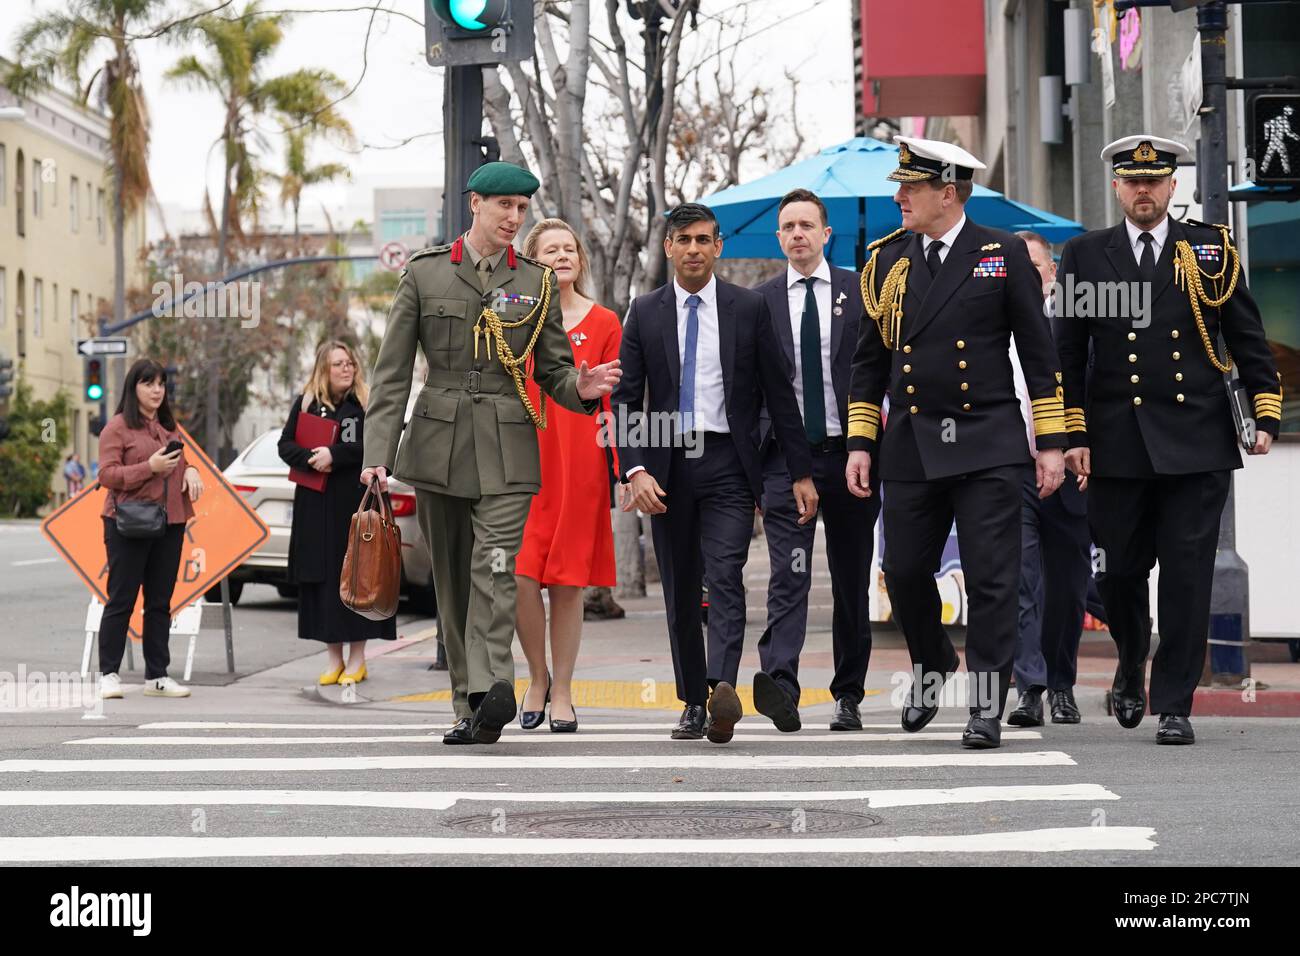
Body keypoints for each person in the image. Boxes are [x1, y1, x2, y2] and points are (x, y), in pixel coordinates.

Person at [361, 161, 621, 746]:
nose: (514, 217)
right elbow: (392, 372)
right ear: (474, 204)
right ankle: (467, 703)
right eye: (505, 206)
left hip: (508, 445)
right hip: (437, 446)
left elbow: (553, 371)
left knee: (498, 569)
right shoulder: (426, 275)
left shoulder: (534, 281)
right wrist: (377, 453)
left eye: (522, 209)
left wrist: (580, 388)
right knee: (453, 581)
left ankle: (494, 687)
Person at [845, 136, 1067, 750]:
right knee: (904, 569)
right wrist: (861, 442)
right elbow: (869, 362)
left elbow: (1039, 354)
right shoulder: (886, 261)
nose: (898, 198)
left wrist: (1050, 441)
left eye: (909, 189)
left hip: (988, 439)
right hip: (914, 441)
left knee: (994, 576)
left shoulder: (1000, 252)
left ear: (947, 193)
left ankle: (986, 706)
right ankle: (933, 660)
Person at [1057, 135, 1280, 745]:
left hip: (1196, 439)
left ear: (1172, 187)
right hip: (1116, 442)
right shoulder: (1084, 255)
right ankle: (1131, 661)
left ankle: (1176, 701)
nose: (1144, 190)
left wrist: (1265, 411)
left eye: (1155, 181)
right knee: (1122, 573)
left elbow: (1246, 335)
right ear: (1117, 187)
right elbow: (1068, 354)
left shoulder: (1209, 250)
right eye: (1133, 181)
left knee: (1187, 575)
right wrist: (1072, 432)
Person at [613, 202, 818, 744]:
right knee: (681, 588)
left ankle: (720, 687)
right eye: (684, 240)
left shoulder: (748, 308)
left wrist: (800, 471)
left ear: (718, 246)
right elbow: (627, 400)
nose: (695, 249)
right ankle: (690, 702)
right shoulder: (644, 311)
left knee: (725, 576)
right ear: (669, 248)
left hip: (729, 462)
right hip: (665, 468)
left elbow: (780, 392)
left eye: (705, 240)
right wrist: (633, 468)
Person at [750, 188, 881, 733]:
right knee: (789, 575)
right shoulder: (759, 302)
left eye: (807, 225)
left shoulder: (862, 291)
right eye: (788, 226)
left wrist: (869, 443)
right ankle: (781, 685)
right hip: (787, 460)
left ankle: (848, 693)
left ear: (826, 234)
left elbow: (882, 369)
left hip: (852, 456)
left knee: (852, 580)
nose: (798, 234)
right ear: (778, 238)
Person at [514, 218, 623, 733]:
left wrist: (623, 471)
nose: (562, 255)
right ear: (532, 259)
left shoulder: (605, 322)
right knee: (519, 576)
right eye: (550, 249)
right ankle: (536, 677)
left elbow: (613, 405)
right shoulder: (515, 316)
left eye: (569, 249)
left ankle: (564, 691)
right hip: (523, 459)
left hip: (580, 462)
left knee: (568, 583)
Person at [1006, 231, 1092, 727]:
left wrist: (1082, 446)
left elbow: (1095, 383)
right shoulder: (993, 321)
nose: (1024, 272)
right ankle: (1029, 688)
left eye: (1033, 264)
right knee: (1020, 580)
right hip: (1015, 469)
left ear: (1052, 272)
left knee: (1066, 587)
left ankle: (1062, 684)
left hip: (1072, 470)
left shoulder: (1076, 319)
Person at [279, 339, 395, 685]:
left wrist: (336, 455)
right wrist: (312, 459)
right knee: (325, 581)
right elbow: (285, 444)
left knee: (359, 576)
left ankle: (358, 659)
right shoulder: (308, 404)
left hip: (354, 504)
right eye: (338, 364)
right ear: (323, 370)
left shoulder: (364, 403)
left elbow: (378, 442)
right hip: (315, 507)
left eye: (350, 363)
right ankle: (334, 660)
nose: (347, 369)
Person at [96, 358, 204, 700]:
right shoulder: (117, 428)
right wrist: (149, 467)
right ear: (134, 388)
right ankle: (108, 674)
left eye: (161, 383)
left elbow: (181, 460)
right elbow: (107, 475)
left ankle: (157, 676)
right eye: (148, 383)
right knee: (121, 599)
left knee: (160, 602)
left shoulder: (170, 428)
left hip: (170, 522)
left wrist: (191, 470)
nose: (157, 390)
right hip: (127, 521)